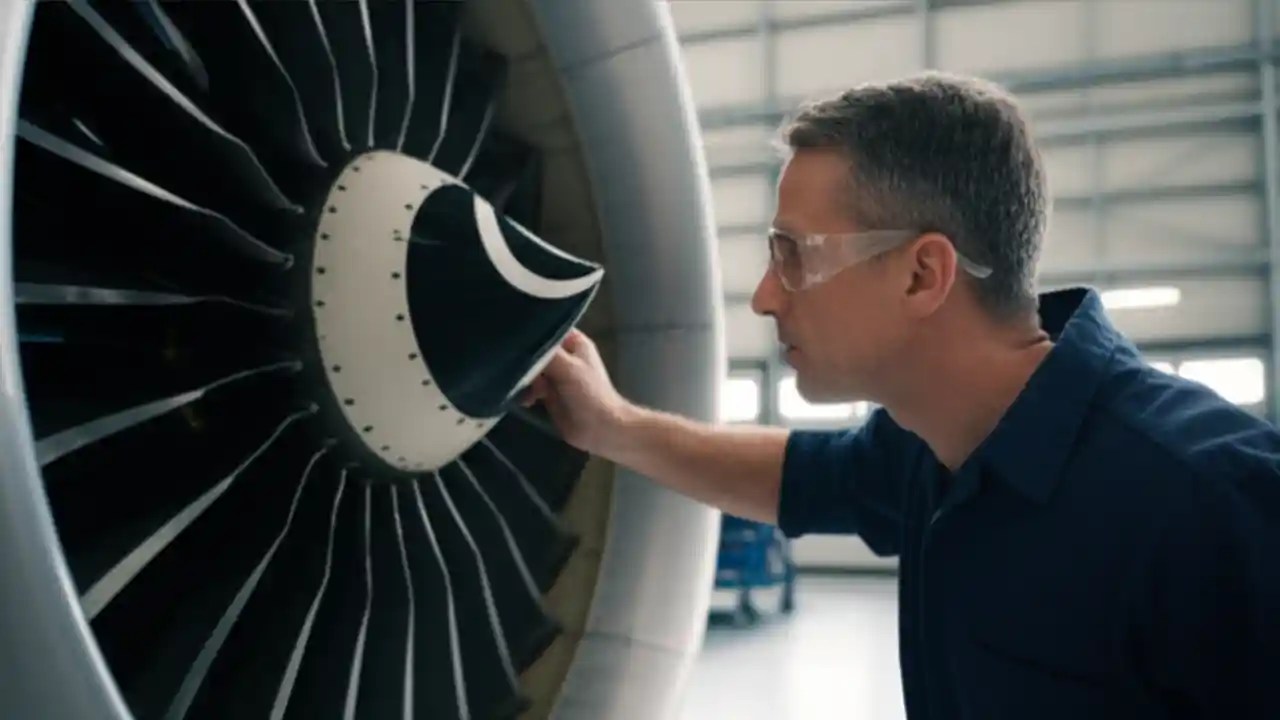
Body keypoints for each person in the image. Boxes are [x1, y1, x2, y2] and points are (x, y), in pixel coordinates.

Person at [521, 71, 1279, 719]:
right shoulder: (931, 446)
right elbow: (795, 477)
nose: (762, 298)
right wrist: (611, 424)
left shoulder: (1211, 503)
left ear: (923, 274)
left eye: (792, 255)